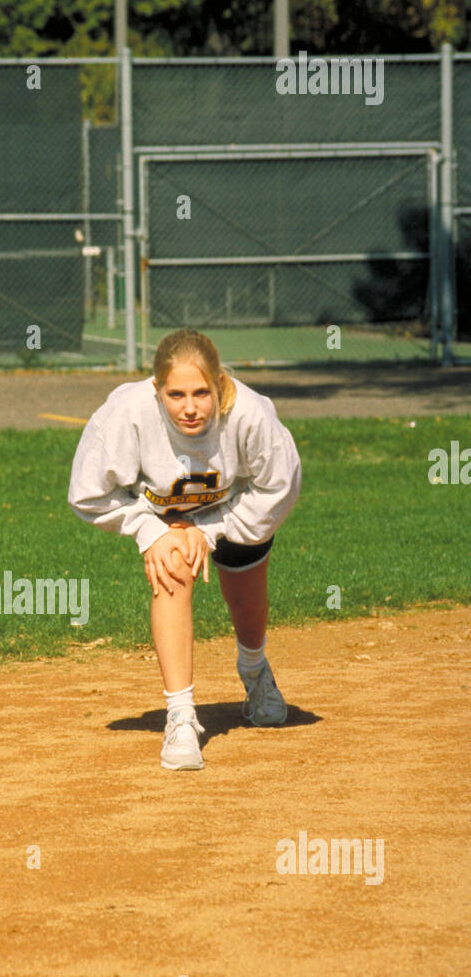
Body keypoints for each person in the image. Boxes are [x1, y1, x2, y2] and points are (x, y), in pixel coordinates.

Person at [68, 328, 301, 771]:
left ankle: (254, 671)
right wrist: (147, 530)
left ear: (220, 384)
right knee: (171, 563)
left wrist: (213, 528)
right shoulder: (127, 413)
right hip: (163, 516)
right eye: (176, 395)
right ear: (157, 391)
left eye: (201, 393)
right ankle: (181, 716)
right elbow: (86, 493)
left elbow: (281, 488)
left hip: (236, 511)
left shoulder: (250, 414)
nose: (190, 408)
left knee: (247, 602)